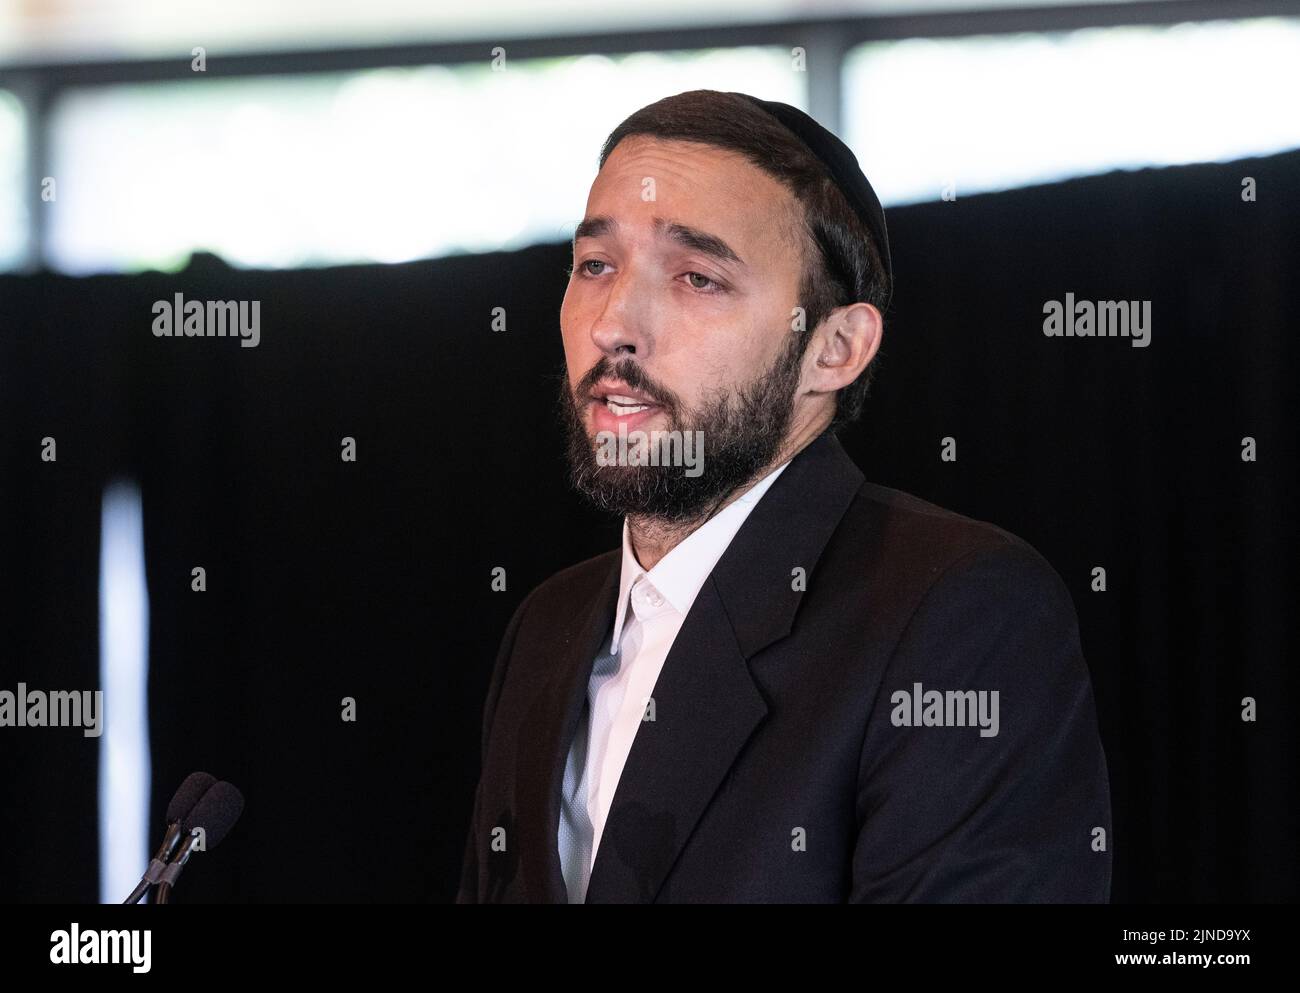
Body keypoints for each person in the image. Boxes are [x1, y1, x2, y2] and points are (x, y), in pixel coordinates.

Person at [456, 89, 1112, 903]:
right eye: (596, 265)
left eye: (697, 276)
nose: (614, 324)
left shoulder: (960, 611)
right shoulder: (546, 627)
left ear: (835, 349)